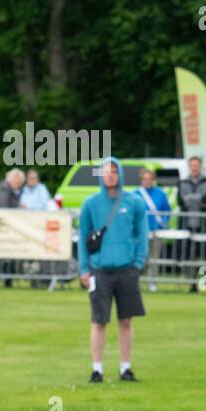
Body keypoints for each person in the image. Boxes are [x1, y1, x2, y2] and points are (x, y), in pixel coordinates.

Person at [77, 157, 148, 383]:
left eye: (114, 172)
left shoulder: (134, 202)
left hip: (127, 269)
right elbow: (82, 237)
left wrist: (138, 263)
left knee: (126, 320)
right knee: (99, 321)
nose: (110, 175)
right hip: (99, 270)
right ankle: (97, 369)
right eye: (106, 172)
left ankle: (125, 367)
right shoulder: (90, 204)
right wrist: (84, 269)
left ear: (120, 175)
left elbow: (142, 233)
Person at [135, 167, 173, 292]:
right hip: (141, 232)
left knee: (154, 258)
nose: (147, 181)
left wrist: (162, 223)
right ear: (141, 180)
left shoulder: (160, 194)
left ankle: (152, 283)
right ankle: (135, 282)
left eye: (150, 179)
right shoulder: (135, 194)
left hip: (156, 231)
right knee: (140, 258)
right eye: (145, 179)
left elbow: (167, 211)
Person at [177, 156, 206, 274]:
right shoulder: (182, 182)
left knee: (204, 253)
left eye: (197, 165)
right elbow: (181, 201)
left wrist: (189, 198)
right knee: (187, 252)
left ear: (201, 167)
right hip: (186, 223)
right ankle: (190, 278)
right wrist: (198, 199)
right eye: (192, 165)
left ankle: (205, 280)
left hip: (203, 224)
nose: (194, 168)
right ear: (189, 167)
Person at [0, 167, 25, 287]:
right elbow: (3, 208)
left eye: (19, 180)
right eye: (15, 179)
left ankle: (6, 279)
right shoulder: (4, 191)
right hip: (4, 227)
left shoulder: (17, 192)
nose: (17, 182)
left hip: (11, 227)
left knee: (9, 255)